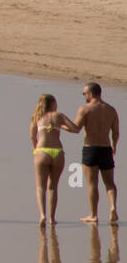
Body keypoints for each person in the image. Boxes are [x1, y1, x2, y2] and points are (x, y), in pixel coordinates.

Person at [68, 82, 118, 223]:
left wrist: (62, 125)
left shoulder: (85, 109)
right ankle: (113, 206)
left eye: (84, 94)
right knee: (109, 183)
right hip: (106, 148)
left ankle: (93, 215)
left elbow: (76, 128)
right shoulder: (111, 110)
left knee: (92, 184)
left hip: (90, 148)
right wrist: (114, 145)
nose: (84, 96)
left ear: (90, 93)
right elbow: (116, 131)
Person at [31, 94, 76, 226]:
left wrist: (37, 149)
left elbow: (32, 136)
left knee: (40, 187)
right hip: (57, 153)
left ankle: (42, 215)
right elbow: (76, 129)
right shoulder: (59, 116)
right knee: (53, 187)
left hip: (42, 151)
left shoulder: (36, 117)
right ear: (52, 104)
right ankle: (52, 218)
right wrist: (61, 127)